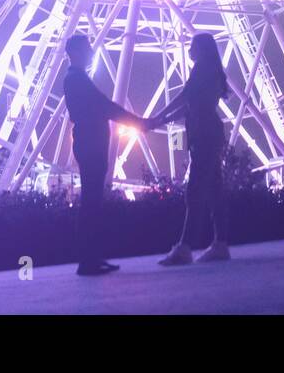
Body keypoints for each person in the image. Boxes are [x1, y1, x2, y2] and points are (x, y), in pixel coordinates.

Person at [61, 33, 149, 276]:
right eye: (87, 48)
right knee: (91, 202)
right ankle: (88, 260)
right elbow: (105, 107)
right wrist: (138, 122)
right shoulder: (76, 79)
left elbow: (102, 107)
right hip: (91, 144)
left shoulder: (76, 79)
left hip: (90, 142)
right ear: (76, 52)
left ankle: (91, 257)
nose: (91, 51)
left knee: (92, 201)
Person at [145, 33, 231, 265]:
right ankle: (220, 243)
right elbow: (191, 106)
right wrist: (160, 120)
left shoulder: (202, 69)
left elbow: (185, 99)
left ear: (201, 49)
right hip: (209, 132)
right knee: (214, 191)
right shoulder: (213, 71)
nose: (189, 50)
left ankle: (185, 247)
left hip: (203, 134)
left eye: (193, 46)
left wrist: (157, 118)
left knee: (194, 191)